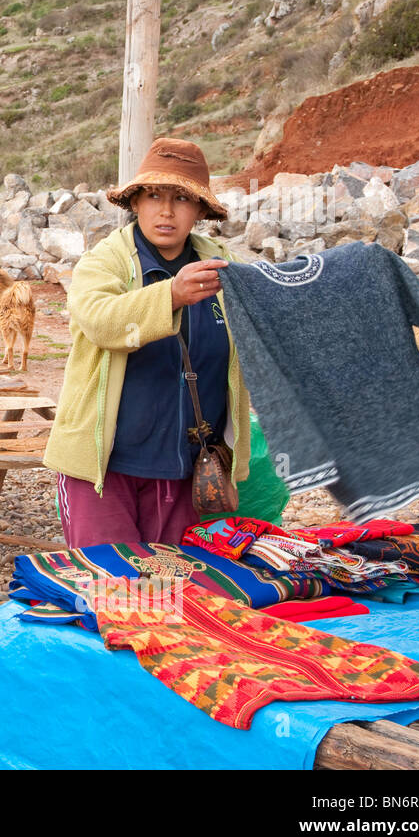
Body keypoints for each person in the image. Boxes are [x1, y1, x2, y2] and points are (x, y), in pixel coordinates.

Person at [42, 137, 252, 549]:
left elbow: (266, 329)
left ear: (201, 210)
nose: (167, 211)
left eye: (182, 199)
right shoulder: (104, 261)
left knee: (178, 590)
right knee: (110, 588)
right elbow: (101, 322)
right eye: (154, 195)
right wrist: (171, 295)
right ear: (136, 202)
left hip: (186, 469)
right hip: (106, 468)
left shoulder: (225, 264)